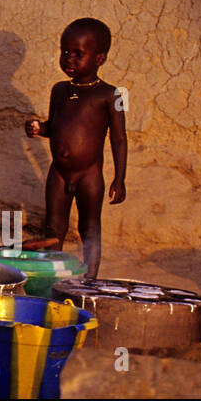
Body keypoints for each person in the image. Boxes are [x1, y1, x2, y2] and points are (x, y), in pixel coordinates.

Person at [25, 17, 127, 277]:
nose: (68, 59)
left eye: (77, 54)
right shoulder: (58, 90)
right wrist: (39, 128)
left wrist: (119, 178)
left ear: (99, 58)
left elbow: (118, 138)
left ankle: (90, 277)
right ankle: (52, 275)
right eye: (65, 52)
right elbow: (55, 126)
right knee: (53, 227)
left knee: (89, 227)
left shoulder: (111, 94)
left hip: (89, 175)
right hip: (58, 172)